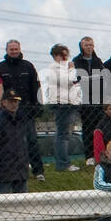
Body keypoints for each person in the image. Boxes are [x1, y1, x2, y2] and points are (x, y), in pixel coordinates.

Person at [0, 91, 34, 221]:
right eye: (10, 101)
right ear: (4, 103)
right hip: (4, 166)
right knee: (2, 202)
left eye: (16, 101)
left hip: (20, 165)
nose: (14, 104)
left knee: (23, 202)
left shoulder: (21, 118)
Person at [0, 39, 43, 182]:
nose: (14, 51)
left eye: (16, 49)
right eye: (11, 49)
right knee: (8, 142)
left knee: (32, 141)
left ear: (20, 49)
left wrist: (38, 106)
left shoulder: (28, 66)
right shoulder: (0, 67)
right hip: (6, 113)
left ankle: (38, 171)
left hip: (26, 110)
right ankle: (10, 171)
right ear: (7, 50)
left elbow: (36, 87)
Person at [42, 43, 82, 172]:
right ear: (55, 56)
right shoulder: (54, 68)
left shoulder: (63, 69)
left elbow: (75, 83)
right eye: (63, 55)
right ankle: (62, 164)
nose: (66, 58)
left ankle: (63, 162)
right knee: (62, 135)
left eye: (66, 55)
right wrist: (71, 70)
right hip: (61, 104)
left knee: (64, 134)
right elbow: (69, 81)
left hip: (70, 103)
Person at [72, 37, 105, 164]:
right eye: (86, 45)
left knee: (99, 128)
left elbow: (103, 79)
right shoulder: (76, 61)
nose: (89, 47)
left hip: (98, 99)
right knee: (87, 128)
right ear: (81, 46)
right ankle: (89, 156)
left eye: (91, 45)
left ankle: (99, 154)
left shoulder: (98, 61)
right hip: (84, 99)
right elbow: (77, 80)